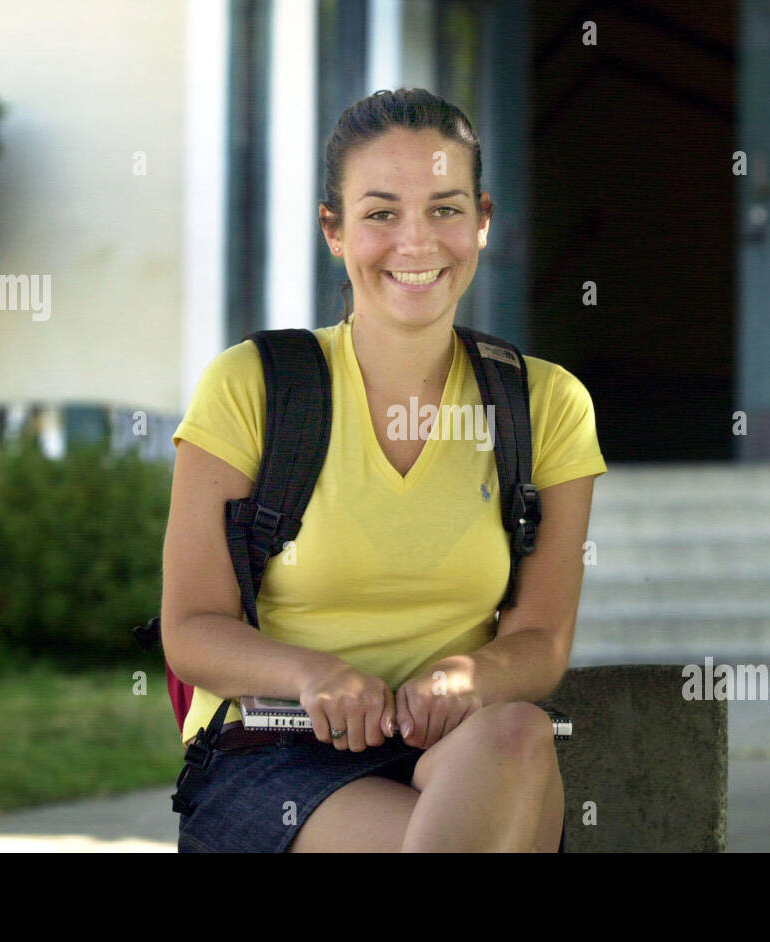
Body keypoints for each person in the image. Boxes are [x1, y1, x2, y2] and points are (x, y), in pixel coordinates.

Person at [163, 88, 607, 852]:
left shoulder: (547, 404)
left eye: (445, 208)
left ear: (483, 219)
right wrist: (313, 677)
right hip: (275, 754)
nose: (416, 241)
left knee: (517, 736)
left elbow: (539, 638)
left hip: (456, 749)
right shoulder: (254, 386)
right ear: (332, 230)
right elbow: (191, 631)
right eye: (380, 213)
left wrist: (467, 676)